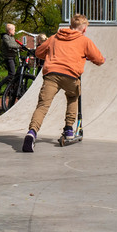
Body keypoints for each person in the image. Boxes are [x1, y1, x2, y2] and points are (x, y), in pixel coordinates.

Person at [22, 13, 105, 151]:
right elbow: (99, 59)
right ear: (84, 29)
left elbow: (38, 52)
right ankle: (68, 128)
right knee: (73, 96)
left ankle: (31, 133)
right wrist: (91, 58)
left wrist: (50, 54)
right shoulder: (84, 41)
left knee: (42, 105)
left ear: (70, 26)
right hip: (71, 76)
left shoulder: (54, 37)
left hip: (51, 75)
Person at [0, 23, 23, 95]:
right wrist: (18, 47)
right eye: (14, 30)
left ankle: (9, 89)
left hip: (12, 57)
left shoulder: (12, 37)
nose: (15, 31)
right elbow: (10, 45)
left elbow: (14, 46)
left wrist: (20, 48)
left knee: (11, 74)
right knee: (12, 74)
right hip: (8, 57)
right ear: (10, 30)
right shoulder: (5, 37)